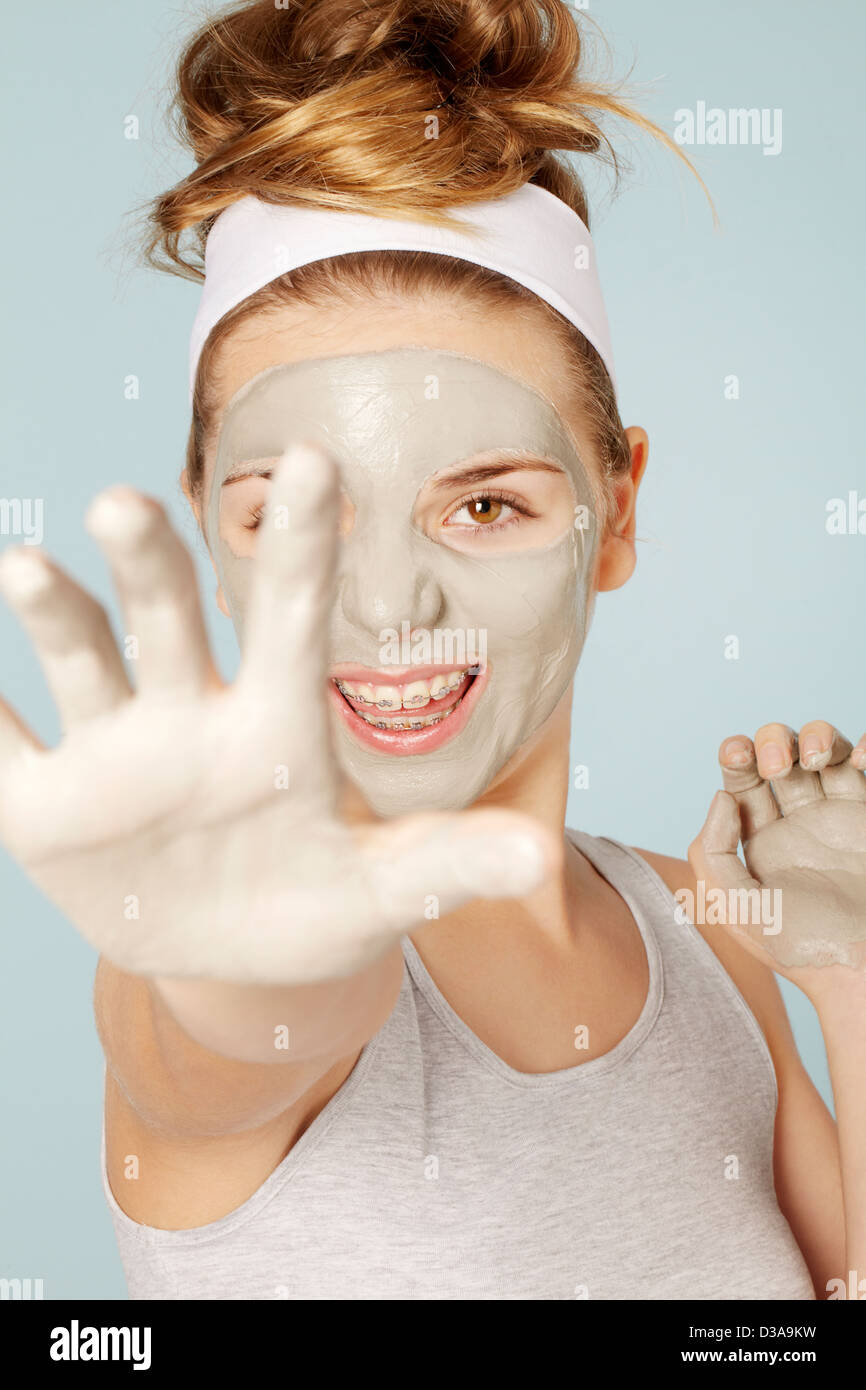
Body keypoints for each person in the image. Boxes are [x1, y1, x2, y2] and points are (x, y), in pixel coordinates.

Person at [0, 0, 863, 1301]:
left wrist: (848, 971)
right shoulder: (220, 954)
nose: (394, 606)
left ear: (614, 510)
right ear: (213, 528)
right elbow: (225, 1039)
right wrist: (220, 973)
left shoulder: (709, 926)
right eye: (299, 510)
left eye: (482, 504)